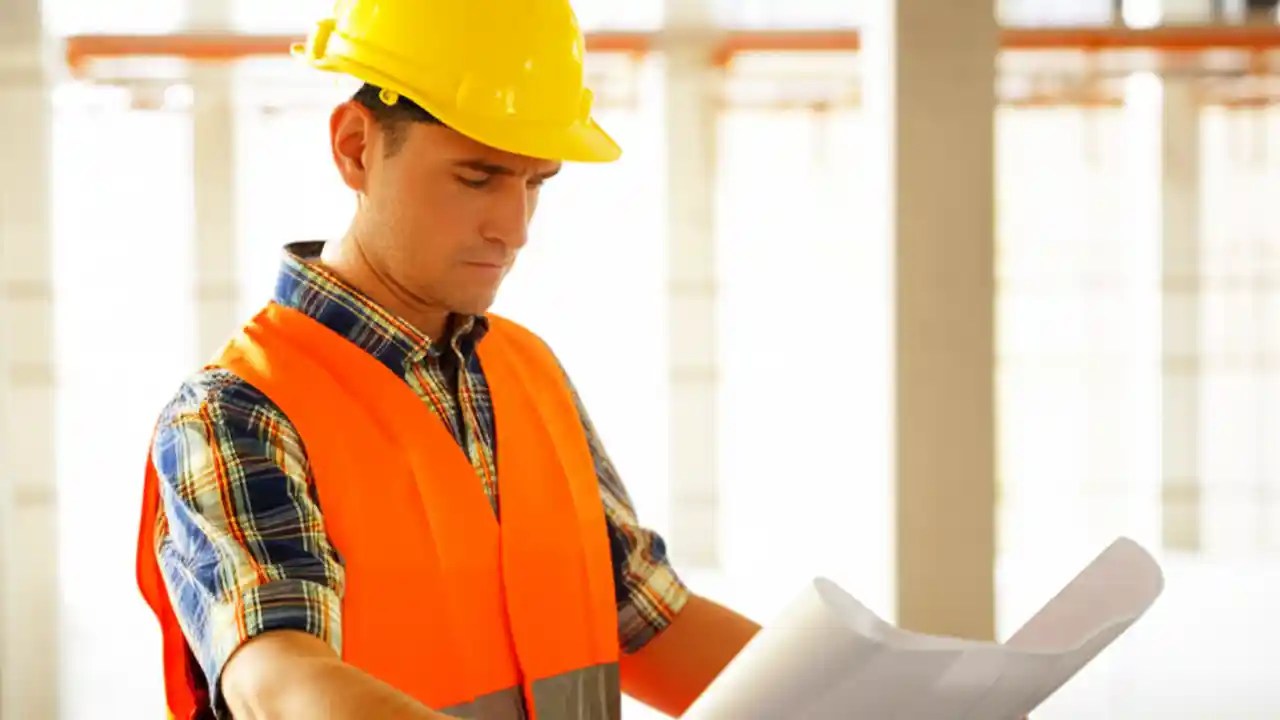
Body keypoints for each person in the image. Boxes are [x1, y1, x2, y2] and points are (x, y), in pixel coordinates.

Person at [134, 1, 761, 718]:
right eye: (477, 177)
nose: (515, 228)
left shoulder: (527, 370)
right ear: (355, 147)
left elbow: (646, 621)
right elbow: (277, 683)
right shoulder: (237, 409)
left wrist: (886, 695)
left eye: (536, 183)